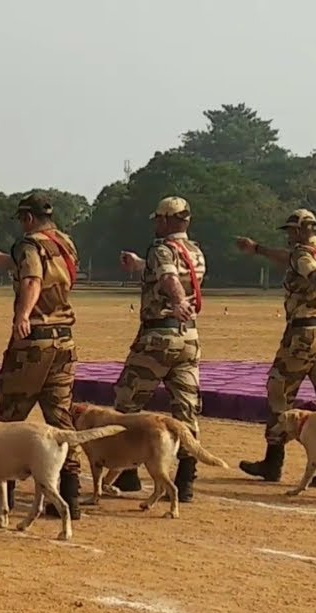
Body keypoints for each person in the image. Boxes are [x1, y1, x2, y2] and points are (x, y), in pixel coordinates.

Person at [0, 193, 83, 519]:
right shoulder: (64, 243)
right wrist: (7, 260)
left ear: (28, 219)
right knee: (60, 418)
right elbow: (51, 271)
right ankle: (70, 496)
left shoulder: (28, 244)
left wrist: (23, 315)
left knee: (10, 417)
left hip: (34, 341)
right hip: (64, 339)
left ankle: (3, 491)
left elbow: (33, 279)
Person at [236, 209, 316, 487]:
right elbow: (291, 259)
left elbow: (311, 273)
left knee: (280, 391)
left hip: (304, 332)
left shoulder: (302, 254)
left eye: (291, 231)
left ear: (300, 231)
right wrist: (257, 249)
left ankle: (273, 461)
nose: (288, 237)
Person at [109, 197, 208, 501]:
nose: (155, 224)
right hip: (188, 338)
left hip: (158, 338)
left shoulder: (161, 249)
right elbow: (167, 272)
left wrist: (177, 301)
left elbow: (168, 278)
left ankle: (128, 474)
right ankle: (186, 481)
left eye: (158, 219)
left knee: (127, 403)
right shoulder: (195, 251)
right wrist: (140, 264)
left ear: (166, 220)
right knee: (187, 408)